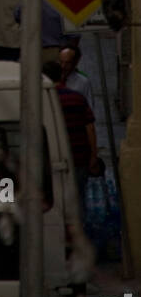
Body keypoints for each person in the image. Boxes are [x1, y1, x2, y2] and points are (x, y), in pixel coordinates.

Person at [43, 60, 99, 213]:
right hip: (78, 157)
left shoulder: (39, 101)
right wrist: (93, 156)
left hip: (48, 159)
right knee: (78, 199)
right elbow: (90, 128)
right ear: (61, 75)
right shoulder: (77, 98)